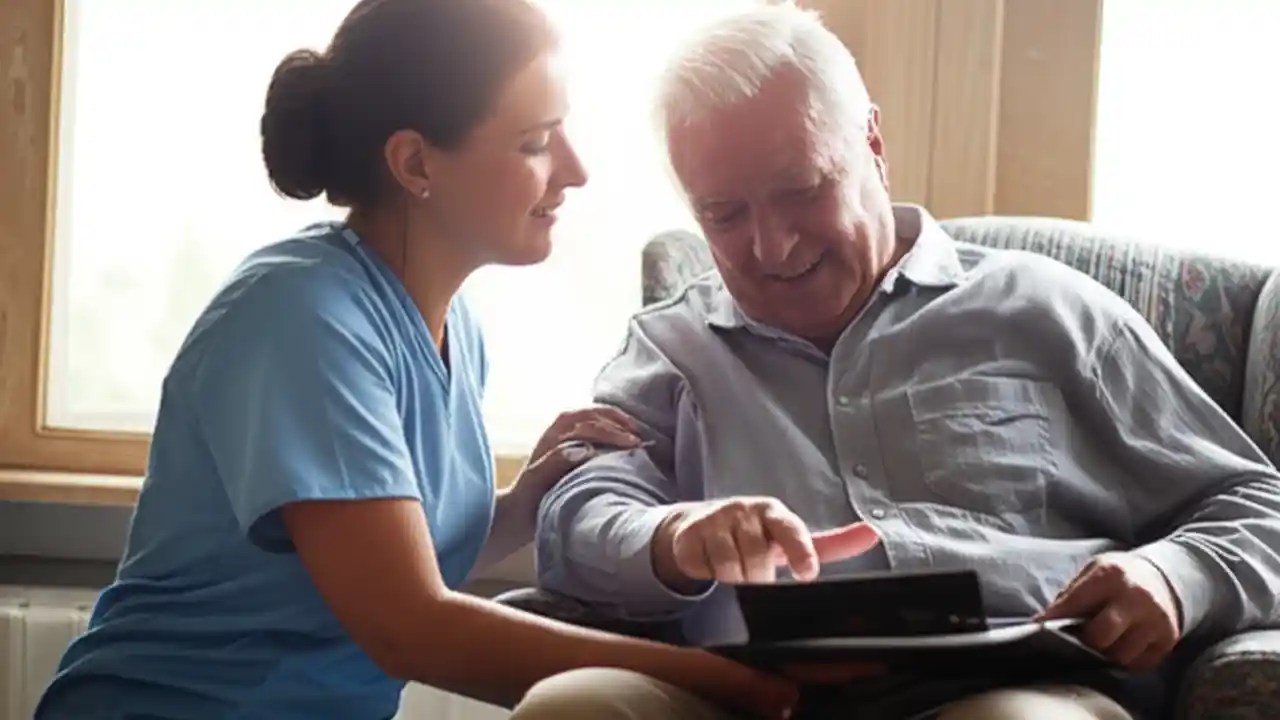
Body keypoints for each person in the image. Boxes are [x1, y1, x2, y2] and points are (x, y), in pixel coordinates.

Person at [33, 2, 813, 718]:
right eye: (535, 142)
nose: (574, 170)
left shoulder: (450, 327)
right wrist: (726, 683)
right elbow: (412, 628)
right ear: (415, 164)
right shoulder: (302, 318)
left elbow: (377, 555)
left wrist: (520, 503)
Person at [522, 5, 1280, 720]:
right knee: (573, 707)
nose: (771, 247)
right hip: (746, 698)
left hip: (1021, 686)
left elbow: (1257, 505)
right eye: (725, 215)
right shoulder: (669, 349)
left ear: (873, 147)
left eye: (801, 191)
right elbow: (574, 524)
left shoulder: (1046, 313)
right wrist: (674, 536)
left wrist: (1175, 577)